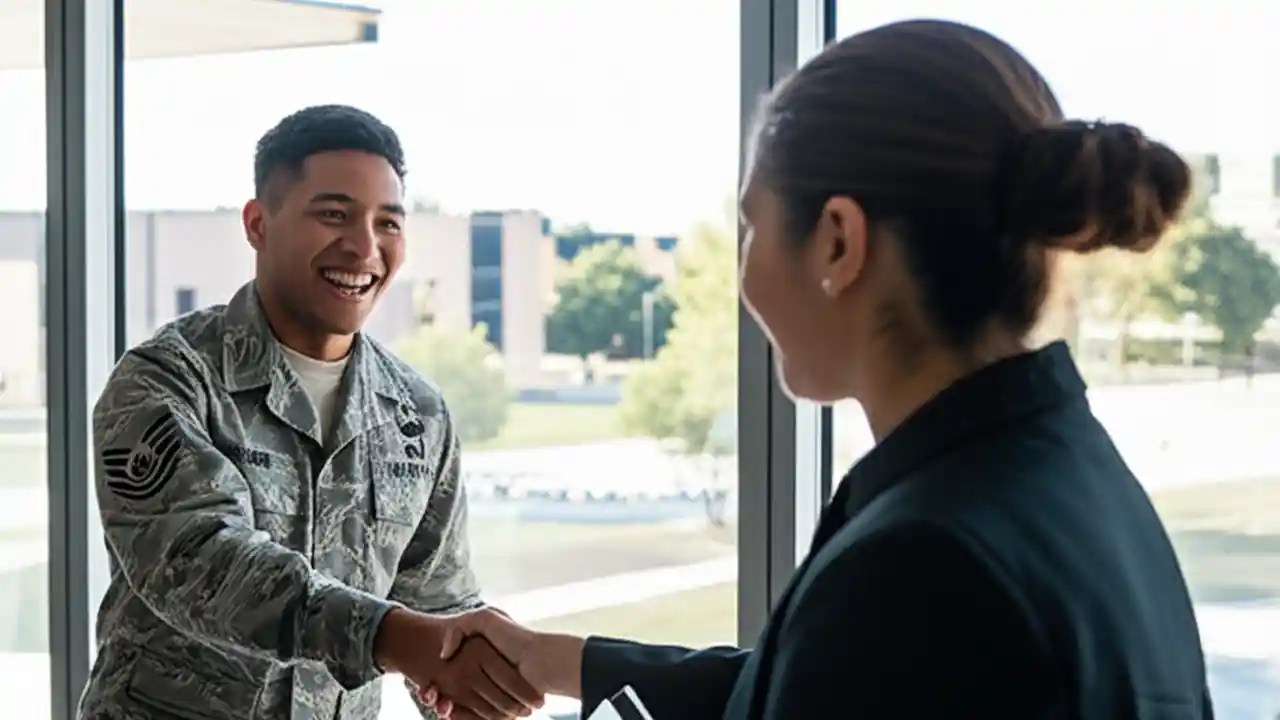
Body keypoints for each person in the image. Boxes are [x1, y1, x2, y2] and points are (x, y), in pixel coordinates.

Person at [423, 19, 1214, 720]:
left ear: (838, 242)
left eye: (750, 225)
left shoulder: (919, 566)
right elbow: (821, 686)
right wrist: (563, 661)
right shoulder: (1067, 481)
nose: (744, 274)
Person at [79, 105, 542, 720]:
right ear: (258, 223)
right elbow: (198, 561)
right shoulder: (166, 380)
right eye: (334, 215)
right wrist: (395, 638)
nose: (364, 246)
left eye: (389, 223)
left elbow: (440, 607)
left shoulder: (417, 416)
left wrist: (477, 684)